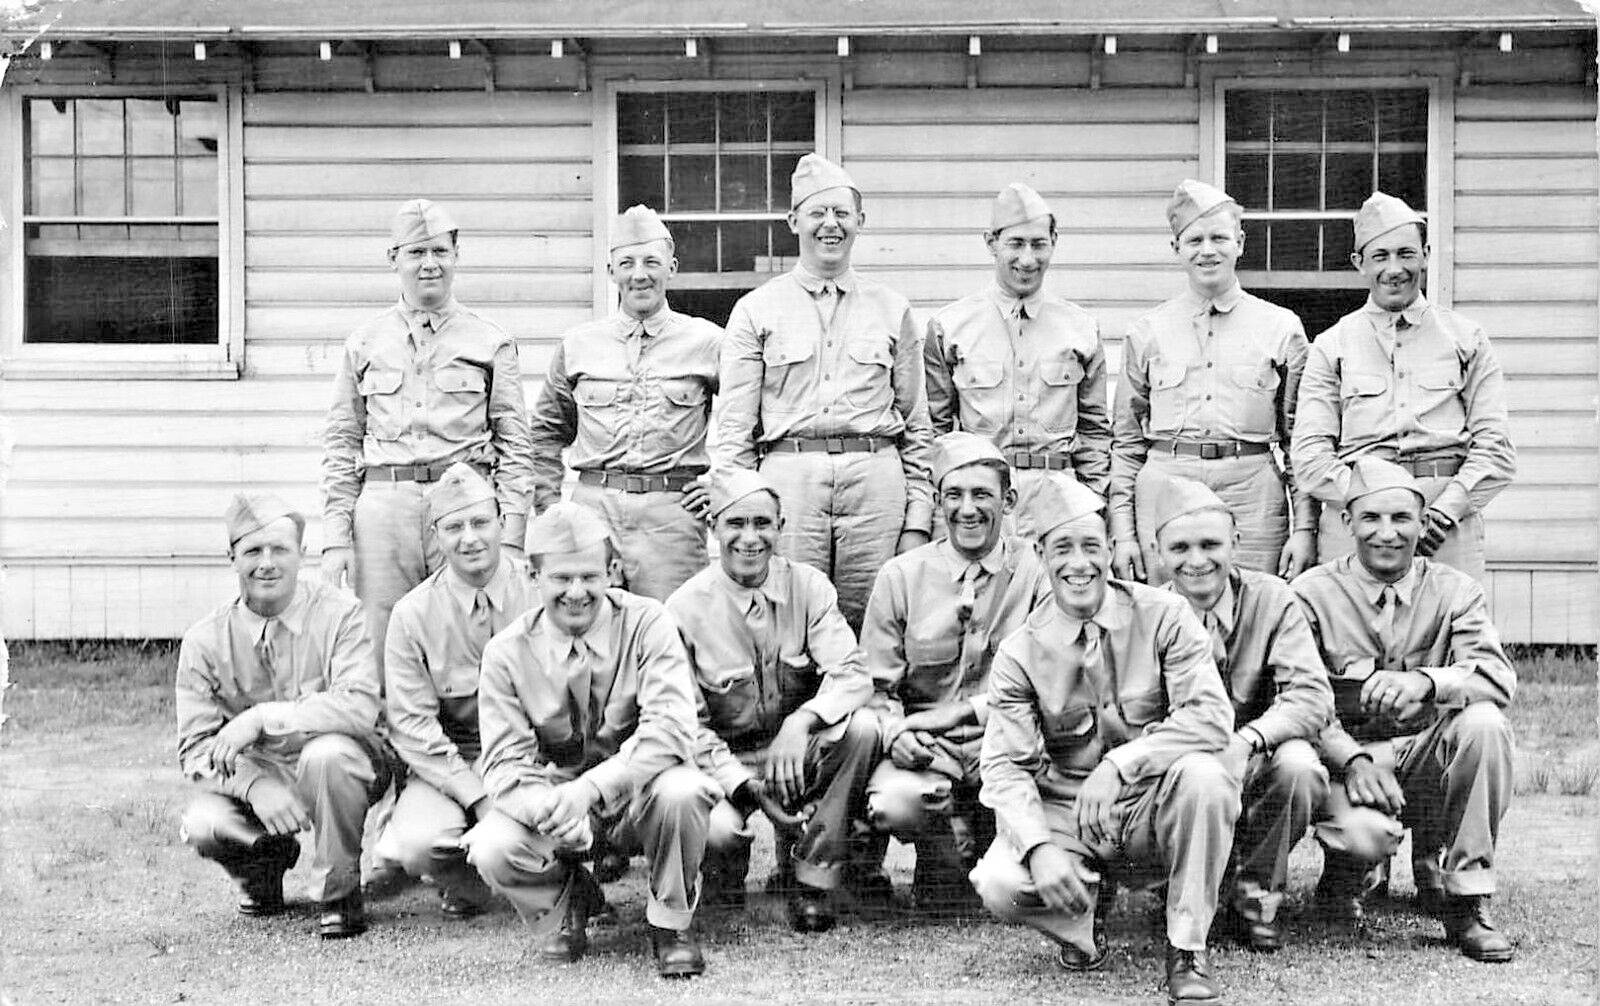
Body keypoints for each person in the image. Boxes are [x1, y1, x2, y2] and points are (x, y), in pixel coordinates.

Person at [969, 473, 1238, 1005]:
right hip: (1069, 813)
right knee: (1000, 881)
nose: (1079, 563)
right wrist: (1041, 847)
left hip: (1151, 802)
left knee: (1207, 774)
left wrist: (1121, 765)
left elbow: (1210, 716)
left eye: (1092, 546)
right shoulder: (1019, 652)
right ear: (1040, 555)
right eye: (1062, 549)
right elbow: (1004, 767)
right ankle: (1084, 923)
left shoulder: (1165, 615)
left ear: (1112, 550)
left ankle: (1187, 947)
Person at [463, 503, 717, 978]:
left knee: (684, 790)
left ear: (611, 571)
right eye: (561, 578)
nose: (576, 592)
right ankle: (567, 901)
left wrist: (591, 791)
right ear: (533, 575)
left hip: (639, 791)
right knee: (493, 845)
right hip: (559, 797)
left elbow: (672, 728)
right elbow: (503, 764)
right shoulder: (505, 653)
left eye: (589, 576)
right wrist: (552, 810)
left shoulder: (648, 623)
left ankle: (671, 922)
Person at [1294, 457, 1516, 963]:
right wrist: (1352, 757)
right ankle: (1346, 873)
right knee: (1362, 838)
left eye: (1402, 519)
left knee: (1484, 724)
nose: (1387, 533)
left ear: (1423, 524)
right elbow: (1295, 696)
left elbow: (1497, 677)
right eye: (1371, 518)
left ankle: (1467, 899)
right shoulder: (1309, 595)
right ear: (1347, 522)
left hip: (1421, 760)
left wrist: (1426, 681)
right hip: (1347, 766)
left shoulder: (1456, 591)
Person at [715, 152, 934, 631]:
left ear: (860, 221)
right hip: (789, 479)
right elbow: (733, 429)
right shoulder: (757, 310)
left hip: (876, 480)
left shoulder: (892, 308)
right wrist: (740, 512)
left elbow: (917, 423)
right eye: (817, 213)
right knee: (789, 616)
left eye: (841, 214)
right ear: (794, 221)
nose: (830, 226)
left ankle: (871, 705)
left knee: (877, 617)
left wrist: (918, 518)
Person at [667, 469, 880, 932]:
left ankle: (812, 877)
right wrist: (746, 785)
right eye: (735, 524)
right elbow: (685, 723)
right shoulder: (683, 609)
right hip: (725, 761)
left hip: (793, 752)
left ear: (781, 527)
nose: (750, 538)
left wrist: (801, 721)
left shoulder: (810, 587)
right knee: (720, 829)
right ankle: (723, 868)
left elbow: (853, 675)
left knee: (862, 727)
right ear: (714, 529)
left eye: (763, 523)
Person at [321, 197, 535, 658]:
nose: (429, 264)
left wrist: (513, 534)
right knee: (378, 635)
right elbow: (341, 444)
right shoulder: (364, 343)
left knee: (470, 630)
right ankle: (383, 729)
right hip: (384, 509)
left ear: (457, 255)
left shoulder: (490, 340)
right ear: (393, 258)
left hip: (461, 504)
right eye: (416, 253)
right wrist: (335, 537)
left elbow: (517, 446)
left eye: (440, 252)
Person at [176, 492, 388, 939]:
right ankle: (261, 870)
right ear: (231, 557)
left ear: (302, 555)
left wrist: (263, 717)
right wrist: (256, 787)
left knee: (328, 755)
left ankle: (339, 890)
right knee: (203, 822)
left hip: (339, 763)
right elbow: (195, 749)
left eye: (280, 549)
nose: (266, 563)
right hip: (262, 774)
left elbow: (360, 706)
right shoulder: (204, 641)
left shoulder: (340, 614)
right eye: (252, 551)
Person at [859, 432, 1051, 915]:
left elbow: (1053, 677)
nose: (967, 509)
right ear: (939, 501)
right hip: (931, 749)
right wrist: (892, 733)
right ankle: (941, 858)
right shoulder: (901, 576)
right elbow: (876, 684)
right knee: (897, 800)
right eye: (954, 495)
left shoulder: (1037, 570)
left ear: (1008, 501)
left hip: (1010, 739)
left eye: (982, 495)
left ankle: (987, 846)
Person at [1291, 192, 1516, 582]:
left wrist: (1445, 511)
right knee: (1351, 637)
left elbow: (1495, 450)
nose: (1394, 269)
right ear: (1359, 263)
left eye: (1406, 254)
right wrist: (1370, 501)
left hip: (1444, 524)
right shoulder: (1332, 344)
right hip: (1356, 520)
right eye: (1380, 256)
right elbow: (1310, 455)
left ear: (1426, 255)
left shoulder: (1466, 339)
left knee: (1448, 635)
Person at [1153, 477, 1333, 951]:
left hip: (1256, 753)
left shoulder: (1273, 599)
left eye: (1210, 544)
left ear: (1236, 542)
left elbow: (1312, 696)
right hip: (1182, 762)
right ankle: (1176, 889)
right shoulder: (1146, 610)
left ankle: (1256, 901)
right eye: (1180, 547)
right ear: (1158, 551)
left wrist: (1247, 740)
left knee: (1299, 766)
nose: (1196, 561)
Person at [1111, 179, 1315, 586]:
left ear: (1240, 242)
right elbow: (1127, 440)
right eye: (1194, 240)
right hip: (1166, 483)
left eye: (1219, 237)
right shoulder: (1147, 331)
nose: (1207, 250)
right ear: (1176, 249)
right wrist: (1123, 532)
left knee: (1254, 610)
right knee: (1165, 615)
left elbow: (1300, 441)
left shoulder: (1280, 327)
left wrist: (1305, 527)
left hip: (1252, 491)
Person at [527, 205, 723, 601]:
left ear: (672, 267)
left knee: (675, 633)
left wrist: (725, 487)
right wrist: (550, 507)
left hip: (672, 516)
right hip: (593, 511)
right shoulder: (579, 343)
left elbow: (748, 422)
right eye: (627, 263)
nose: (640, 274)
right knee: (589, 626)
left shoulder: (708, 342)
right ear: (610, 271)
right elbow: (545, 432)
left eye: (652, 262)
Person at [376, 463, 536, 919]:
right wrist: (477, 796)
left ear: (503, 524)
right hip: (454, 758)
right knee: (417, 844)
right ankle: (466, 886)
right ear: (436, 536)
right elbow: (411, 726)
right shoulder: (412, 615)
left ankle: (560, 885)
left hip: (530, 756)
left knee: (548, 822)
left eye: (481, 523)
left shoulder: (540, 591)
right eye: (454, 527)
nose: (470, 538)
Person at [924, 183, 1111, 509]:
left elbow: (1095, 433)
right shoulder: (950, 327)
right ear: (991, 243)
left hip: (1059, 499)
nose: (1027, 259)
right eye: (1016, 244)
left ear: (1054, 242)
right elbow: (935, 433)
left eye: (1038, 244)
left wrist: (1094, 503)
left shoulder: (1080, 327)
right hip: (981, 499)